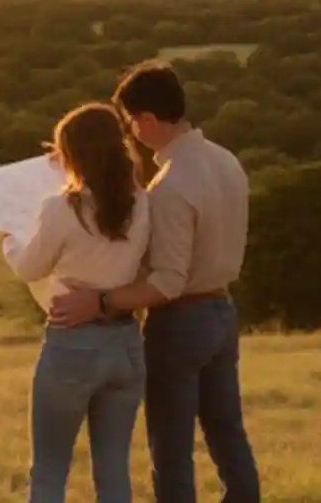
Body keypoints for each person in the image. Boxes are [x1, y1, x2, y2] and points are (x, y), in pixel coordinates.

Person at [48, 63, 261, 503]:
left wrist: (101, 301)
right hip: (224, 312)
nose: (129, 133)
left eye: (130, 123)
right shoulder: (227, 161)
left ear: (146, 120)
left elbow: (166, 282)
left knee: (172, 448)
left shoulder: (171, 186)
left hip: (181, 321)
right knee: (227, 433)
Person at [1, 102, 150, 503]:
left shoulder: (61, 208)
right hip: (126, 342)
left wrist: (9, 242)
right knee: (113, 470)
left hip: (73, 345)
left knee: (49, 471)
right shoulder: (141, 203)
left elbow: (29, 269)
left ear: (73, 155)